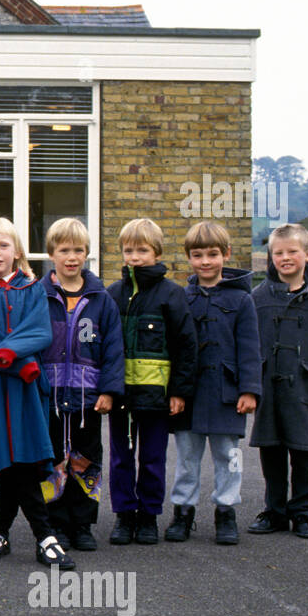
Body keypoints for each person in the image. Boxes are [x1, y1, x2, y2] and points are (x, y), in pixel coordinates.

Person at [0, 216, 74, 571]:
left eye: (3, 245)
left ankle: (1, 532)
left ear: (17, 251)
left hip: (27, 390)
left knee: (24, 457)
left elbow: (39, 331)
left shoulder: (33, 289)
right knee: (6, 456)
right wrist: (17, 363)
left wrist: (17, 358)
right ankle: (45, 536)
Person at [248, 223, 308, 539]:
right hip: (268, 388)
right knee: (271, 454)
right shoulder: (258, 296)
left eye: (292, 251)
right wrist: (248, 388)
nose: (285, 258)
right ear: (270, 257)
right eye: (278, 252)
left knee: (304, 455)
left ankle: (303, 514)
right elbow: (248, 347)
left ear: (307, 254)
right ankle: (274, 512)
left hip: (307, 388)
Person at [166, 221, 260, 544]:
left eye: (212, 254)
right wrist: (174, 391)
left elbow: (250, 349)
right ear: (188, 258)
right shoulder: (180, 297)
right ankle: (182, 512)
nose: (205, 261)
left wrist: (249, 390)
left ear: (226, 254)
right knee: (187, 459)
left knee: (228, 458)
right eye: (197, 255)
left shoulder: (242, 301)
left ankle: (226, 512)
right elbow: (174, 348)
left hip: (227, 393)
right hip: (188, 395)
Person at [105, 218, 198, 546]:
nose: (135, 257)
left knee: (153, 458)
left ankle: (148, 515)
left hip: (158, 398)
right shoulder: (112, 294)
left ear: (157, 252)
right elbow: (103, 346)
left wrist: (179, 392)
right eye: (129, 250)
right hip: (121, 396)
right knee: (120, 457)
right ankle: (123, 514)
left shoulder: (172, 294)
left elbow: (186, 345)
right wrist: (106, 388)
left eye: (142, 250)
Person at [39, 217, 124, 552]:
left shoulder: (102, 300)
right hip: (50, 396)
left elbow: (114, 349)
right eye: (64, 250)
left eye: (78, 250)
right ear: (52, 254)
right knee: (54, 460)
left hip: (89, 399)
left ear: (87, 254)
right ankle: (56, 524)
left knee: (86, 459)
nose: (71, 257)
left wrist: (109, 390)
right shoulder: (38, 296)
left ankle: (83, 525)